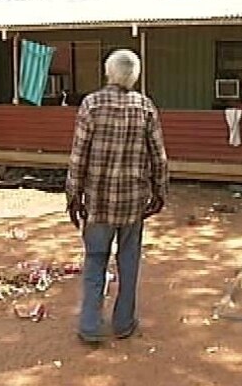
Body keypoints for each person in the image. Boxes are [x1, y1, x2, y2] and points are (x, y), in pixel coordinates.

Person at [65, 49, 169, 344]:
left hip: (97, 203)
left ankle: (90, 326)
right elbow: (158, 157)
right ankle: (123, 324)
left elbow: (78, 157)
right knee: (129, 261)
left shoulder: (91, 105)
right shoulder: (145, 107)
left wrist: (73, 195)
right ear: (134, 76)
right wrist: (160, 191)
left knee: (95, 261)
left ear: (108, 72)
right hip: (133, 203)